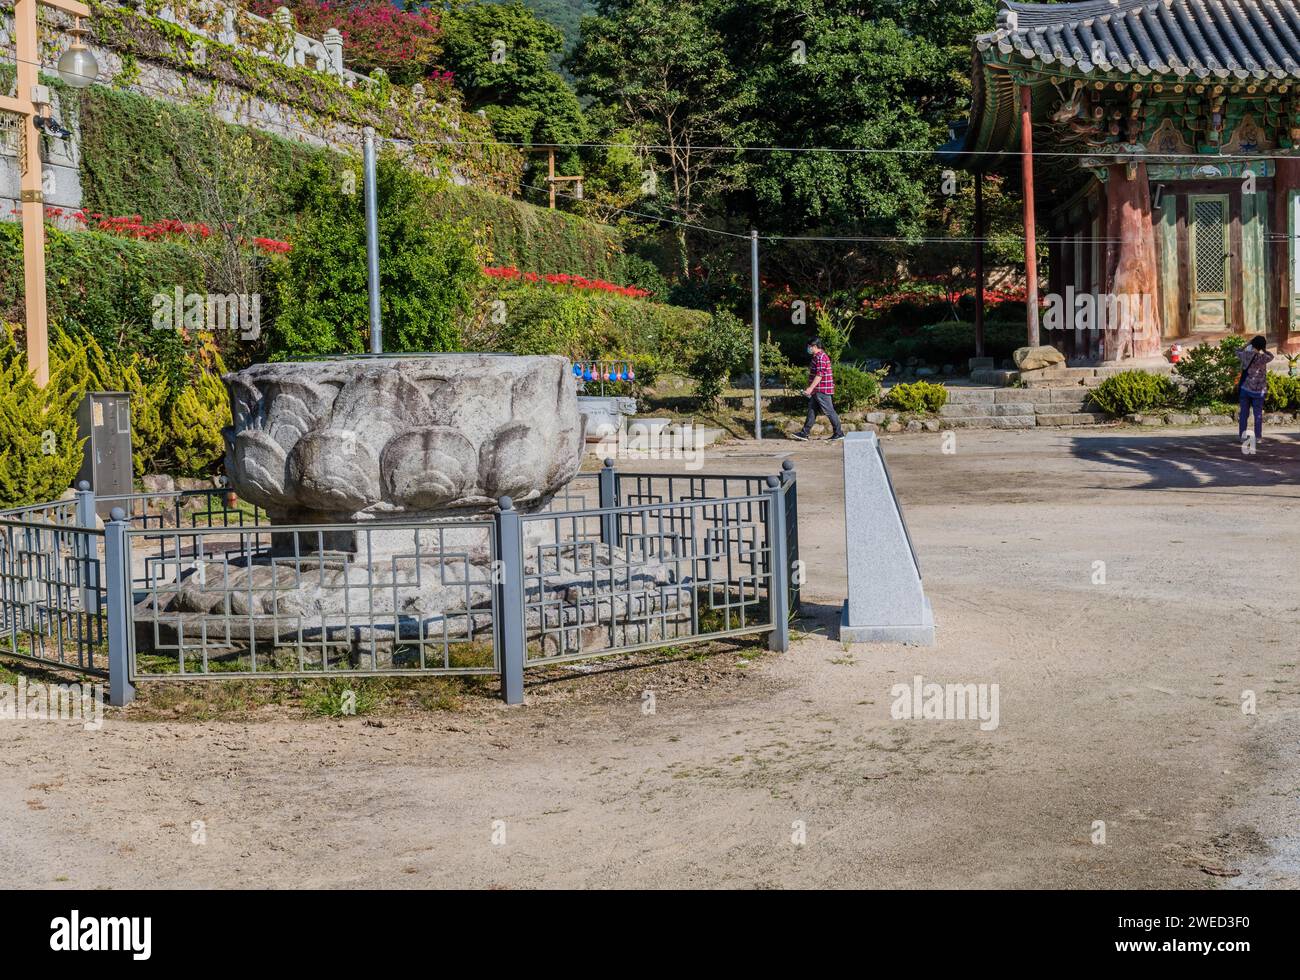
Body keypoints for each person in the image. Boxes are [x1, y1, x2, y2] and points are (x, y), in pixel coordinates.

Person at [790, 337, 844, 441]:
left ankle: (839, 433)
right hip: (818, 389)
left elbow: (819, 375)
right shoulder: (817, 357)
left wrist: (810, 388)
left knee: (829, 411)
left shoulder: (821, 357)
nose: (808, 348)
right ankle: (804, 433)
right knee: (812, 410)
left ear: (814, 346)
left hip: (822, 389)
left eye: (809, 346)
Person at [1237, 335, 1273, 446]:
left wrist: (1247, 344)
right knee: (1258, 415)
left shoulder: (1246, 355)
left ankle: (1242, 437)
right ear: (1262, 346)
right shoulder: (1264, 358)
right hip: (1258, 390)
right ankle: (1258, 437)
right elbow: (1271, 356)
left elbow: (1237, 351)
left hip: (1245, 389)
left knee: (1243, 414)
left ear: (1253, 344)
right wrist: (1263, 349)